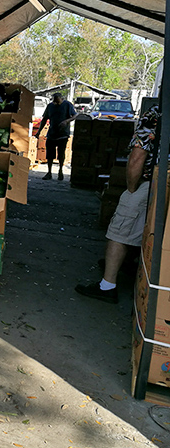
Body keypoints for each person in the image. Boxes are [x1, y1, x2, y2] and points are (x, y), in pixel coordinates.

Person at [75, 105, 160, 303]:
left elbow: (137, 156)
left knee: (119, 231)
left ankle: (107, 285)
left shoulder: (156, 114)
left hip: (150, 183)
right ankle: (131, 264)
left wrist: (131, 188)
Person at [37, 92, 78, 180]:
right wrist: (38, 132)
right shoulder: (50, 106)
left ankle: (60, 170)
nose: (56, 103)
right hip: (51, 133)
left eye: (57, 101)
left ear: (61, 98)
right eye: (54, 101)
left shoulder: (67, 105)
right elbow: (44, 119)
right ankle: (49, 172)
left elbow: (75, 115)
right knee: (50, 154)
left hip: (63, 134)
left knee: (61, 153)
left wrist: (66, 121)